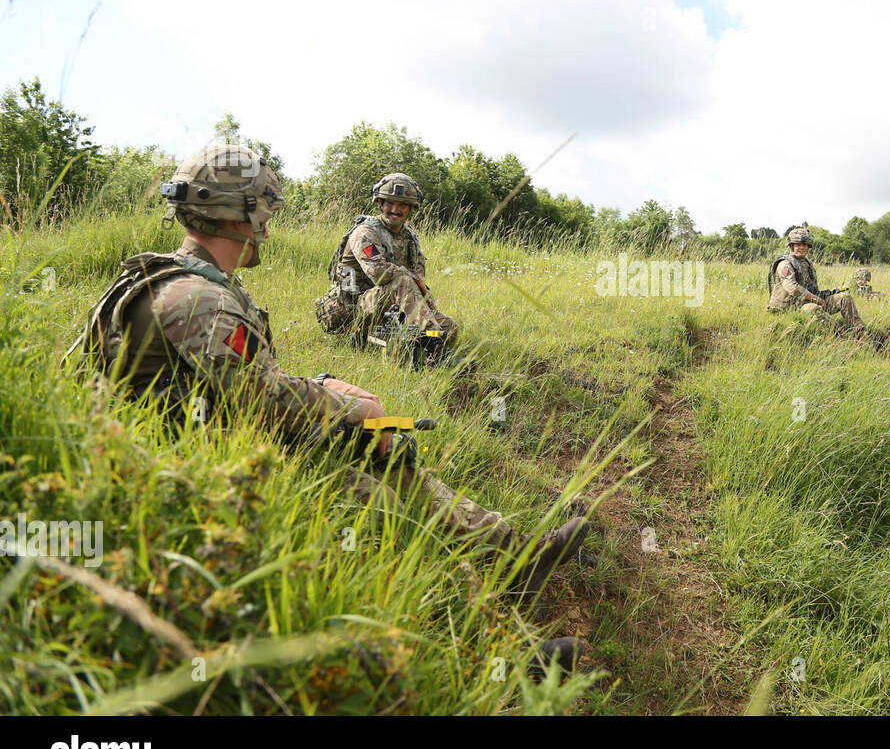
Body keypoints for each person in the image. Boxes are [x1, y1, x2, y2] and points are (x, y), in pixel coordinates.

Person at [71, 144, 587, 608]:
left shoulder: (194, 283)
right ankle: (489, 644)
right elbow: (261, 399)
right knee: (380, 506)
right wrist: (350, 407)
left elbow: (239, 383)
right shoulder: (198, 299)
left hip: (215, 441)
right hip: (186, 475)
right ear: (240, 215)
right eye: (264, 212)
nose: (268, 228)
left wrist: (326, 391)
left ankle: (520, 561)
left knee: (389, 454)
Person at [314, 173, 460, 368]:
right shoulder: (364, 233)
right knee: (403, 281)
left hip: (389, 311)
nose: (395, 210)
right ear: (380, 203)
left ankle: (411, 346)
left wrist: (429, 307)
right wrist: (411, 279)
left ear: (411, 208)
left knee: (449, 328)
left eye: (402, 205)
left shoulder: (410, 239)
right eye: (389, 203)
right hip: (357, 309)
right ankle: (435, 352)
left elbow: (419, 279)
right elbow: (378, 273)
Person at [767, 227, 865, 331]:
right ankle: (841, 333)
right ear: (791, 246)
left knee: (845, 297)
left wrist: (824, 295)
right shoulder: (785, 264)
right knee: (814, 309)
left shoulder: (808, 264)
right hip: (791, 307)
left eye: (804, 245)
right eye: (798, 245)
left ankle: (860, 331)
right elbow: (791, 287)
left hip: (808, 302)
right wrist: (817, 300)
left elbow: (812, 290)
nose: (801, 247)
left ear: (808, 246)